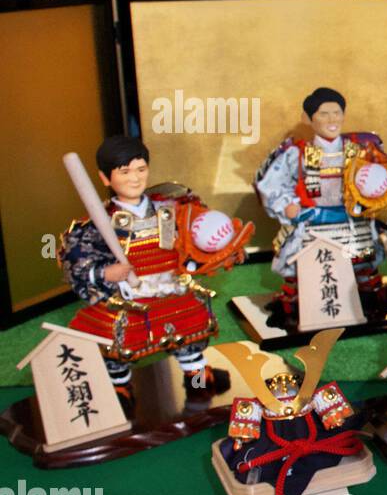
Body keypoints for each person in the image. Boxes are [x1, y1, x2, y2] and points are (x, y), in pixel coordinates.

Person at [58, 136, 252, 412]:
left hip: (171, 287)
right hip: (129, 298)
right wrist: (105, 272)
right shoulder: (97, 224)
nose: (134, 178)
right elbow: (74, 262)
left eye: (140, 169)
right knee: (118, 347)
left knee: (191, 338)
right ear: (105, 178)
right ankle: (120, 388)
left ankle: (198, 384)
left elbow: (190, 248)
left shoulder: (170, 208)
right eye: (124, 172)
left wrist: (214, 256)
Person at [253, 87, 387, 325]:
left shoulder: (362, 148)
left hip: (354, 221)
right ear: (308, 118)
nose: (332, 120)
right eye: (324, 114)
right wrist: (287, 204)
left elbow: (386, 174)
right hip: (313, 222)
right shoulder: (297, 153)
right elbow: (272, 184)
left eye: (336, 113)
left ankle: (370, 299)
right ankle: (297, 304)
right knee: (303, 268)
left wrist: (385, 189)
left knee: (363, 264)